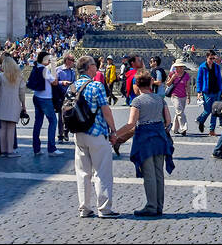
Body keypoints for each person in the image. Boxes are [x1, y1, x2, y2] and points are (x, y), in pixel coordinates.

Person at [112, 72, 175, 217]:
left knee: (149, 174)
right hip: (159, 138)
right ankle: (159, 205)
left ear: (137, 85)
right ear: (150, 84)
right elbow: (168, 120)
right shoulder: (160, 100)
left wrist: (115, 135)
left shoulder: (137, 101)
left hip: (145, 140)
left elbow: (131, 124)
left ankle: (151, 206)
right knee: (159, 172)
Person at [71, 55, 119, 218]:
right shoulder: (96, 86)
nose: (97, 65)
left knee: (83, 173)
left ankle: (84, 208)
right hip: (96, 132)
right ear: (88, 67)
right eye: (94, 64)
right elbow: (106, 110)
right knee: (102, 171)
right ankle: (104, 209)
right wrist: (113, 130)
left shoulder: (72, 86)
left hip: (79, 133)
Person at [0, 55, 28, 157]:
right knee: (11, 128)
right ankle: (10, 151)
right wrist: (24, 105)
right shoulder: (19, 77)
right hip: (14, 103)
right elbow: (22, 93)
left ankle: (3, 151)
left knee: (2, 128)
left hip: (2, 103)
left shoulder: (1, 76)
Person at [26, 51, 59, 155]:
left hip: (36, 96)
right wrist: (53, 68)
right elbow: (55, 82)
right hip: (45, 99)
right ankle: (51, 148)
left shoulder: (36, 67)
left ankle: (37, 148)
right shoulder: (45, 70)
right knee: (53, 121)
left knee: (38, 123)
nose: (49, 60)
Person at [196, 50, 222, 135]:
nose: (212, 60)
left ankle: (212, 130)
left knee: (215, 111)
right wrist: (199, 92)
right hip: (206, 92)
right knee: (207, 110)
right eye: (210, 58)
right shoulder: (202, 67)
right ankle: (200, 120)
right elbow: (199, 80)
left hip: (216, 91)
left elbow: (219, 78)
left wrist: (221, 90)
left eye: (213, 58)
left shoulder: (217, 67)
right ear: (206, 58)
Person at [165, 59, 191, 135]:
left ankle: (175, 129)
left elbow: (188, 87)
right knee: (180, 111)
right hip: (174, 96)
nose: (178, 69)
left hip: (183, 96)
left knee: (179, 112)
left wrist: (188, 97)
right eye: (177, 67)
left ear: (183, 67)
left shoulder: (186, 75)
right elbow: (168, 84)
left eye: (180, 67)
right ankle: (184, 128)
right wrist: (172, 78)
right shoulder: (172, 74)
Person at [54, 53, 76, 143]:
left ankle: (66, 131)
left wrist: (75, 93)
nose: (73, 62)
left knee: (69, 115)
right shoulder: (58, 70)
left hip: (69, 96)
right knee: (61, 116)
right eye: (72, 60)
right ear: (67, 60)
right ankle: (60, 135)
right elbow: (54, 82)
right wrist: (62, 82)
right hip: (60, 95)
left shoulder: (72, 72)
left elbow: (74, 84)